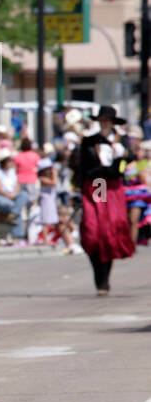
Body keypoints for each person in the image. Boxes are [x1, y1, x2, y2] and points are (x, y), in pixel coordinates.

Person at [74, 105, 136, 294]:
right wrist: (77, 192)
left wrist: (123, 154)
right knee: (93, 230)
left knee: (110, 230)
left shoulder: (121, 140)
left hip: (113, 186)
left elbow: (131, 158)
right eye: (102, 120)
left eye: (107, 120)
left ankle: (104, 279)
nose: (104, 123)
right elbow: (82, 166)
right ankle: (98, 274)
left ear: (112, 122)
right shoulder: (89, 141)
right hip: (96, 184)